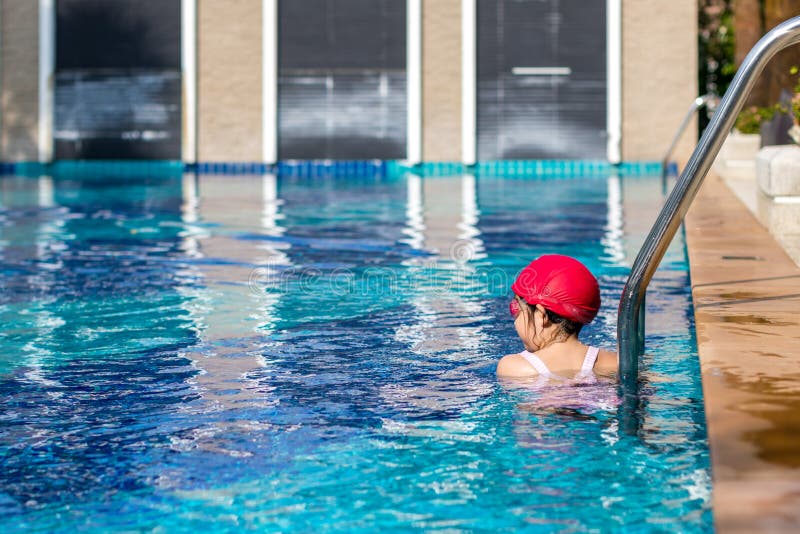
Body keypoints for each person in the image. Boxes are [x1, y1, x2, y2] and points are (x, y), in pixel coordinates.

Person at [496, 254, 617, 381]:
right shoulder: (613, 363)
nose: (515, 321)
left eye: (515, 307)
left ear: (541, 314)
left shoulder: (514, 368)